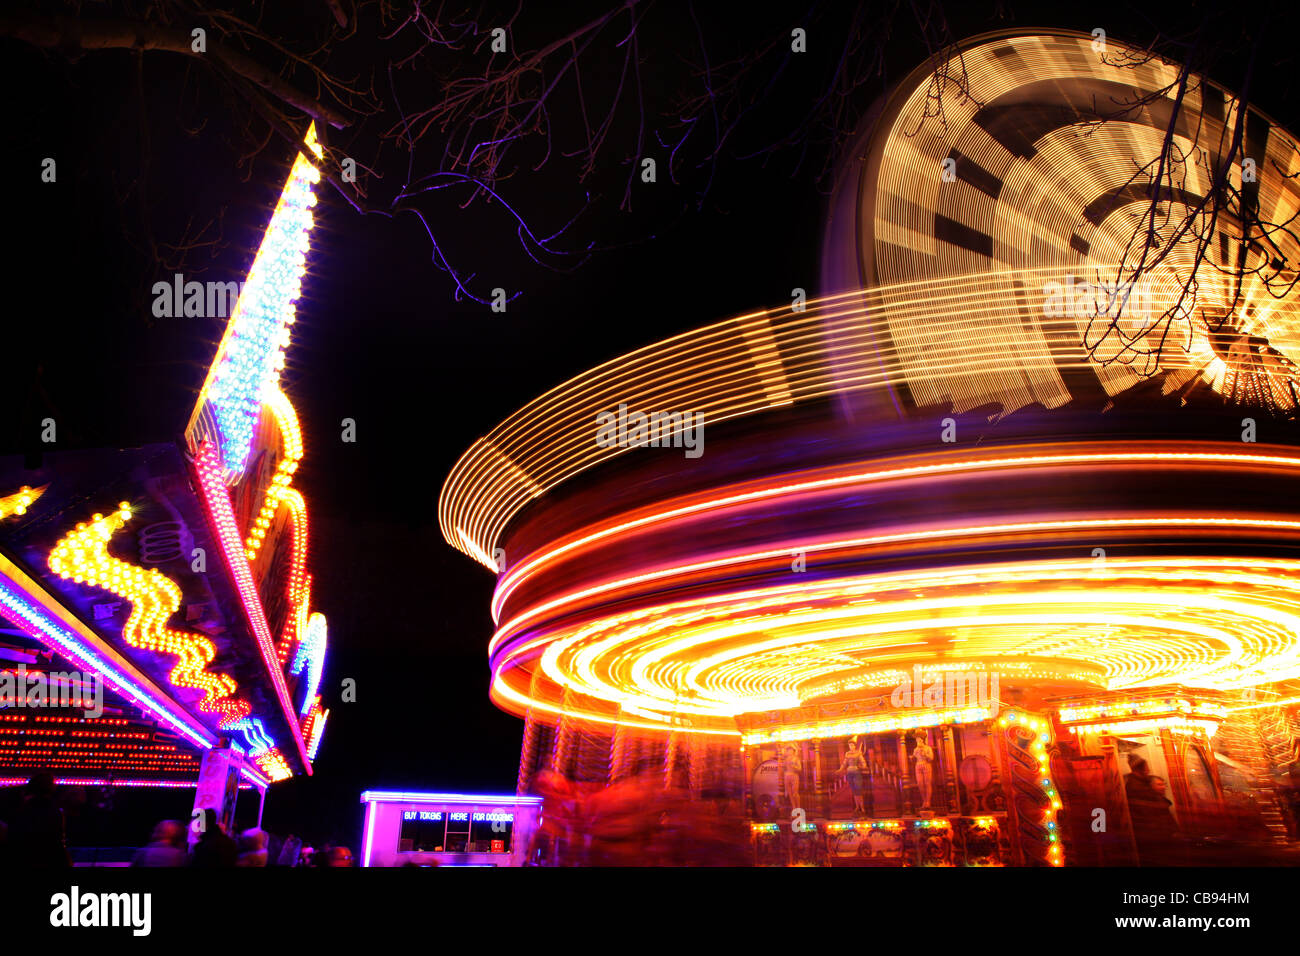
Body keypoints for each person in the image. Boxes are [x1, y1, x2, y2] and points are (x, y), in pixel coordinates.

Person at [9, 771, 70, 868]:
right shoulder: (54, 810)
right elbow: (57, 839)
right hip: (48, 857)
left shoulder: (22, 808)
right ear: (50, 787)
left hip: (26, 857)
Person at [1125, 757, 1180, 864]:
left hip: (1158, 836)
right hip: (1154, 838)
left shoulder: (1140, 784)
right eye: (1146, 768)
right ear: (1139, 770)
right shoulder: (1136, 787)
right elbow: (1152, 813)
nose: (1148, 770)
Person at [836, 738, 869, 817]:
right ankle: (857, 807)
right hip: (849, 772)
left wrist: (863, 766)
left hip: (857, 772)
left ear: (854, 746)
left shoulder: (858, 753)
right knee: (854, 791)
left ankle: (862, 807)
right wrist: (840, 769)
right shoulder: (847, 754)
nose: (851, 746)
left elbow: (863, 762)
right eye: (849, 745)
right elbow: (844, 763)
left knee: (859, 790)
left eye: (852, 745)